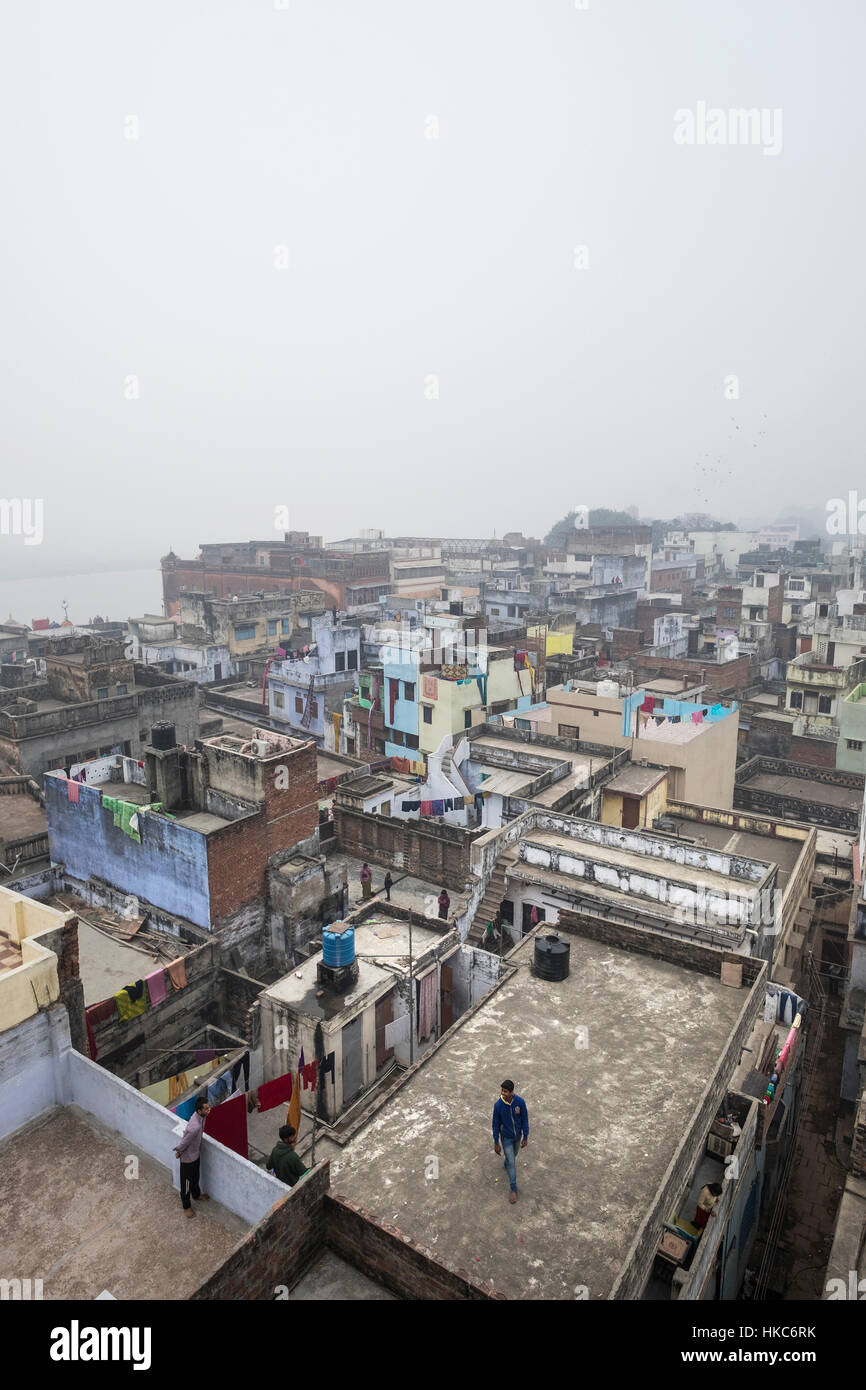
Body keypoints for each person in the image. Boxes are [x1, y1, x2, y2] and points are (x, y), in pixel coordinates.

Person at [492, 1079, 529, 1204]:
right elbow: (495, 1125)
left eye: (505, 1091)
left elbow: (525, 1119)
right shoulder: (498, 1106)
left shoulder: (520, 1102)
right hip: (506, 1138)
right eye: (502, 1090)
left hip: (518, 1137)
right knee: (512, 1163)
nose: (503, 1093)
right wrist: (496, 1142)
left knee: (513, 1155)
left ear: (512, 1092)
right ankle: (514, 1189)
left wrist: (525, 1136)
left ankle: (506, 1162)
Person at [174, 1096, 211, 1218]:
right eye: (206, 1109)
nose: (208, 1110)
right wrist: (179, 1150)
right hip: (187, 1159)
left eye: (208, 1107)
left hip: (195, 1154)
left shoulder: (201, 1117)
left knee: (196, 1177)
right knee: (187, 1183)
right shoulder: (194, 1127)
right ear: (199, 1111)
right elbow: (185, 1141)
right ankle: (186, 1206)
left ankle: (196, 1195)